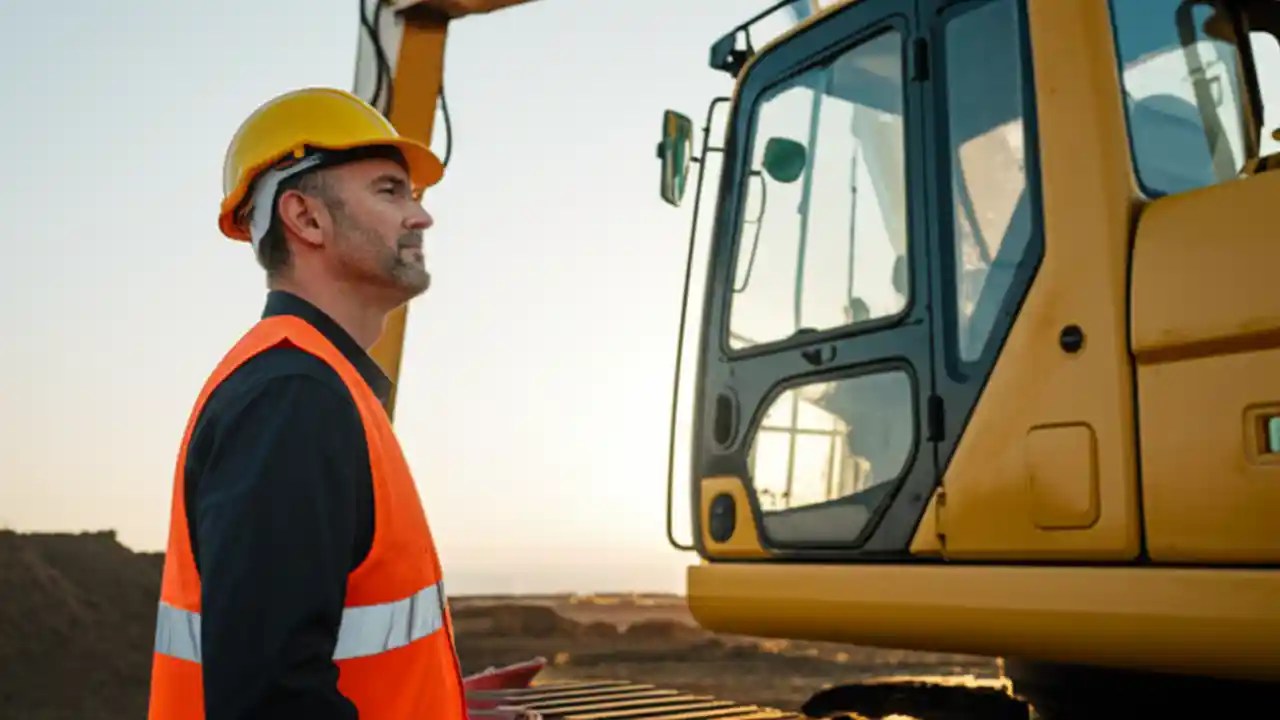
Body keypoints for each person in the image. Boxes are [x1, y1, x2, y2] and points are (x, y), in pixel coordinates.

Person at [147, 87, 465, 720]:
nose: (420, 217)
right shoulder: (292, 399)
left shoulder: (320, 386)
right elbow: (271, 703)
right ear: (306, 218)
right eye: (388, 190)